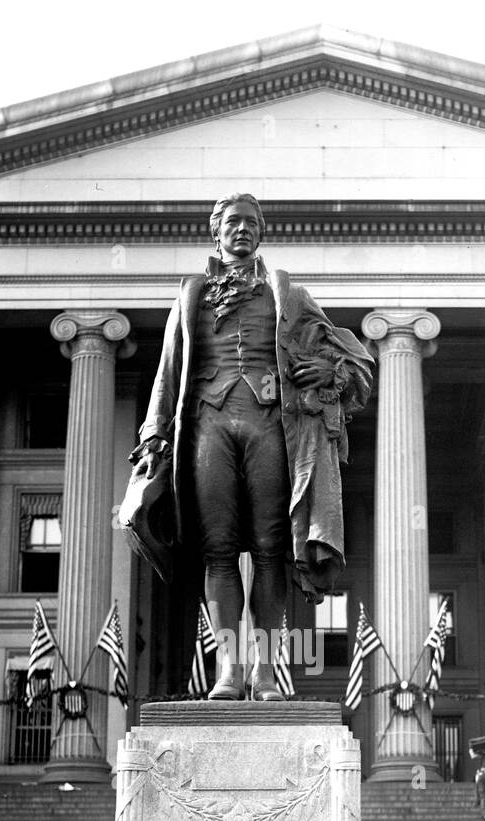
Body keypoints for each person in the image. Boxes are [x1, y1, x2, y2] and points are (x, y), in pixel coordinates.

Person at [127, 192, 372, 700]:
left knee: (269, 549)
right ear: (215, 231)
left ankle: (264, 674)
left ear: (262, 232)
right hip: (206, 425)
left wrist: (331, 370)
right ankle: (227, 672)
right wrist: (154, 433)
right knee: (217, 552)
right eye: (233, 222)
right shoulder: (191, 293)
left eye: (252, 223)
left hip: (270, 424)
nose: (242, 230)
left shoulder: (289, 294)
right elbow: (168, 372)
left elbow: (354, 361)